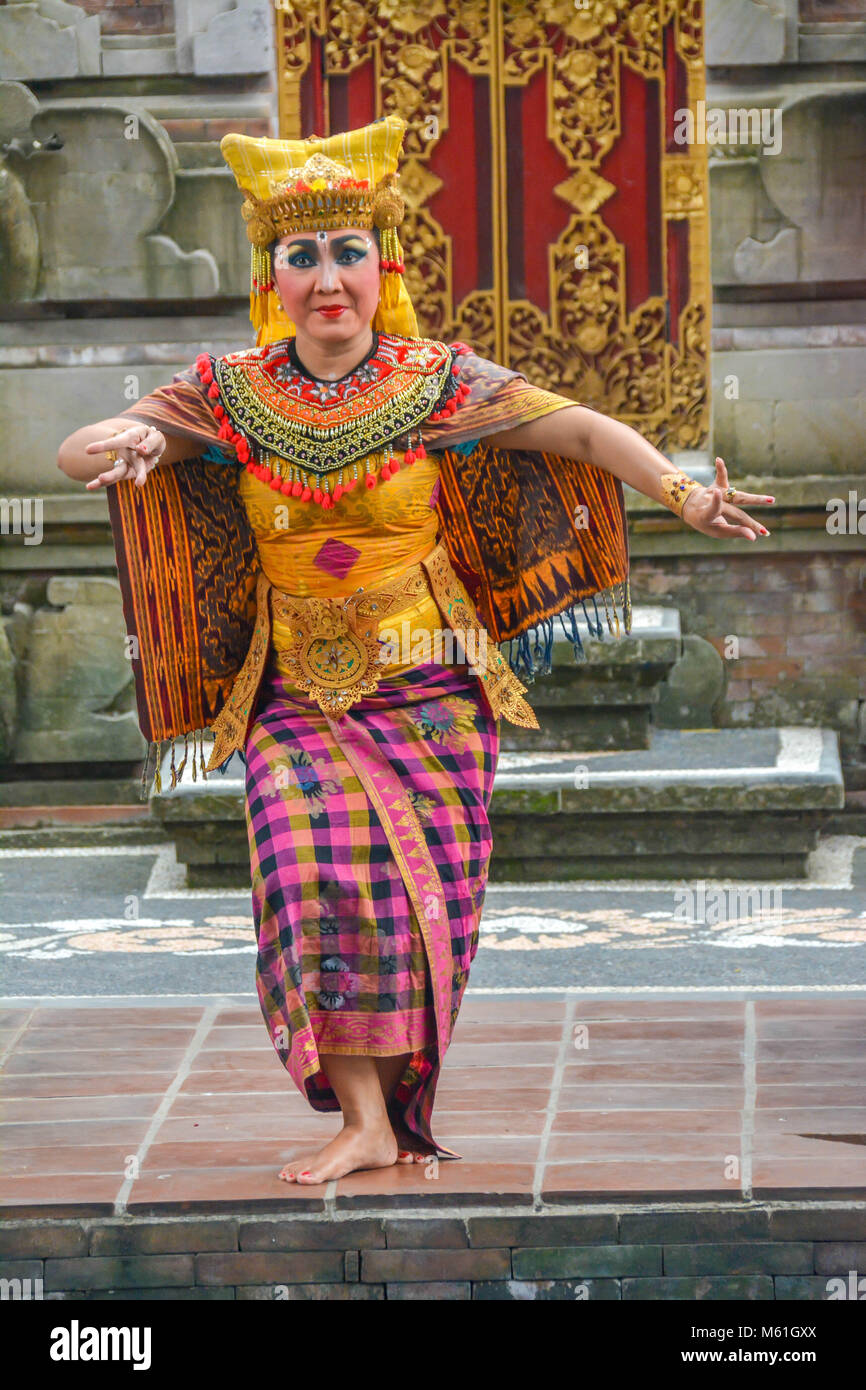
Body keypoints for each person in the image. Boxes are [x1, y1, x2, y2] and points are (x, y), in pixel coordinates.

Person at [56, 115, 774, 1186]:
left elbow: (574, 428)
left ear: (378, 265)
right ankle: (362, 1123)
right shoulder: (225, 392)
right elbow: (76, 451)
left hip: (430, 686)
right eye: (302, 257)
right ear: (276, 276)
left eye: (347, 252)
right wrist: (139, 442)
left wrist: (679, 491)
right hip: (293, 690)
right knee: (307, 877)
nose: (326, 279)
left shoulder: (437, 381)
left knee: (404, 901)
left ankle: (390, 1107)